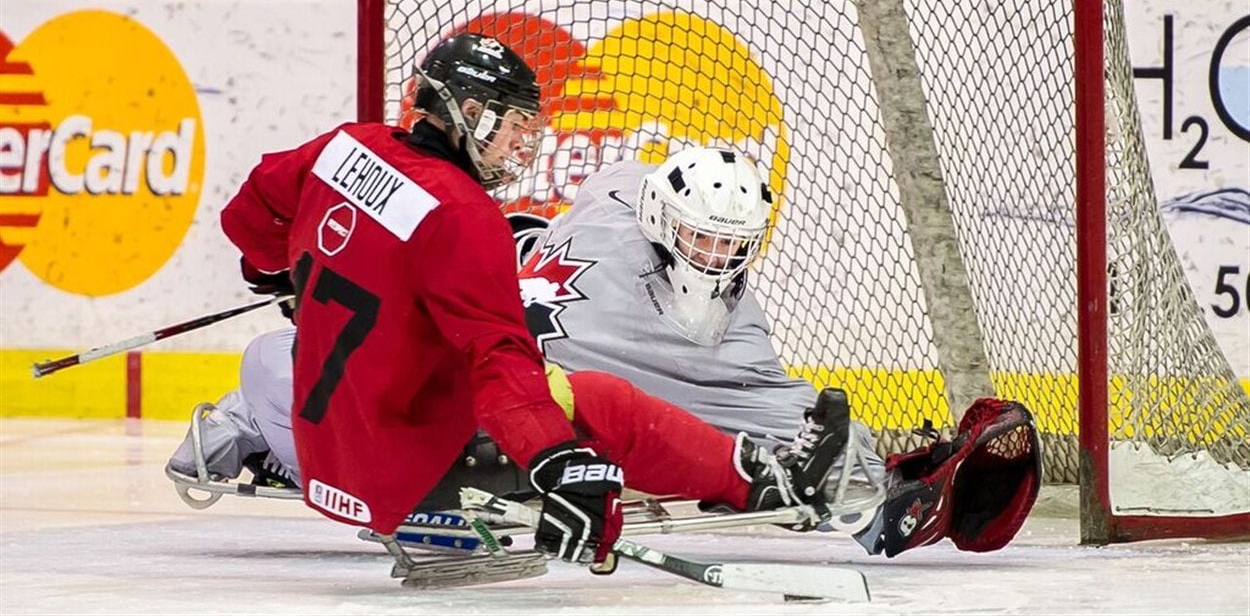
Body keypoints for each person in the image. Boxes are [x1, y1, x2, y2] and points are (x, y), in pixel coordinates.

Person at [169, 33, 1042, 559]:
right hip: (422, 478)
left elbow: (253, 212)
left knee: (273, 358)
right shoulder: (477, 219)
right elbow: (504, 370)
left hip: (332, 454)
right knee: (596, 405)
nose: (522, 143)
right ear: (465, 112)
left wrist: (283, 272)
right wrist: (555, 461)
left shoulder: (346, 148)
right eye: (510, 123)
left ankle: (243, 435)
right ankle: (752, 480)